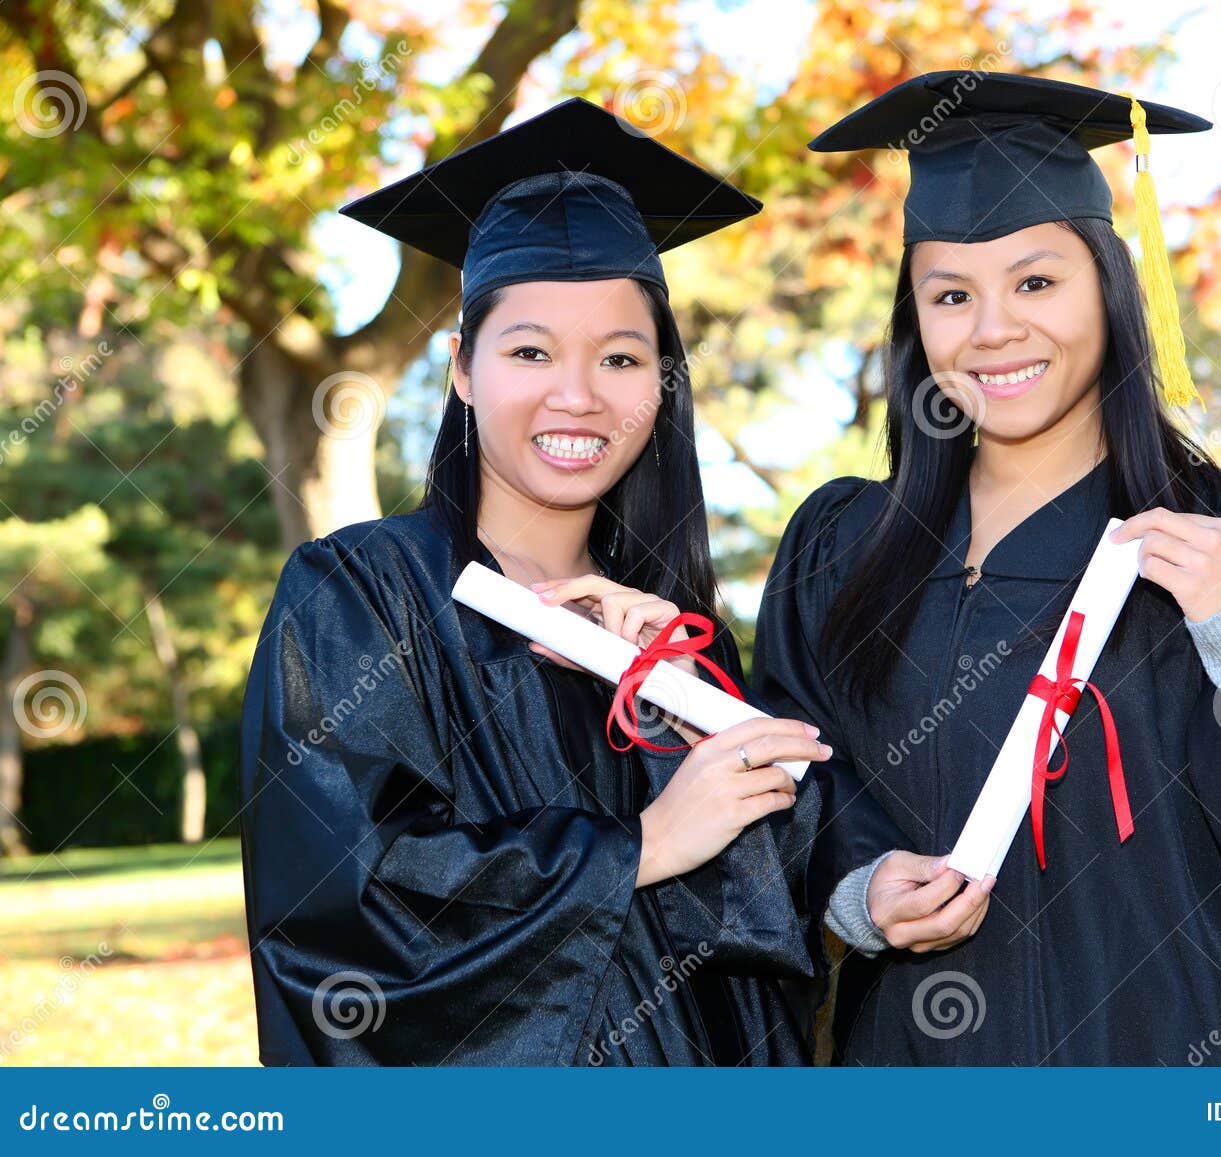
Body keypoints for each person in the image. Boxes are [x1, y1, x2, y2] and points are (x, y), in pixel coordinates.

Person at [752, 71, 1221, 1065]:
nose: (992, 330)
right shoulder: (843, 549)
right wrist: (862, 891)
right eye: (949, 294)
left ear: (1108, 287)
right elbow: (799, 794)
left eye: (1035, 281)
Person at [239, 98, 832, 1066]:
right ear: (462, 368)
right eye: (529, 351)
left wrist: (689, 726)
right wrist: (633, 844)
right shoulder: (361, 590)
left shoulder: (680, 638)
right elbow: (338, 899)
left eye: (621, 357)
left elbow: (758, 934)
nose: (578, 394)